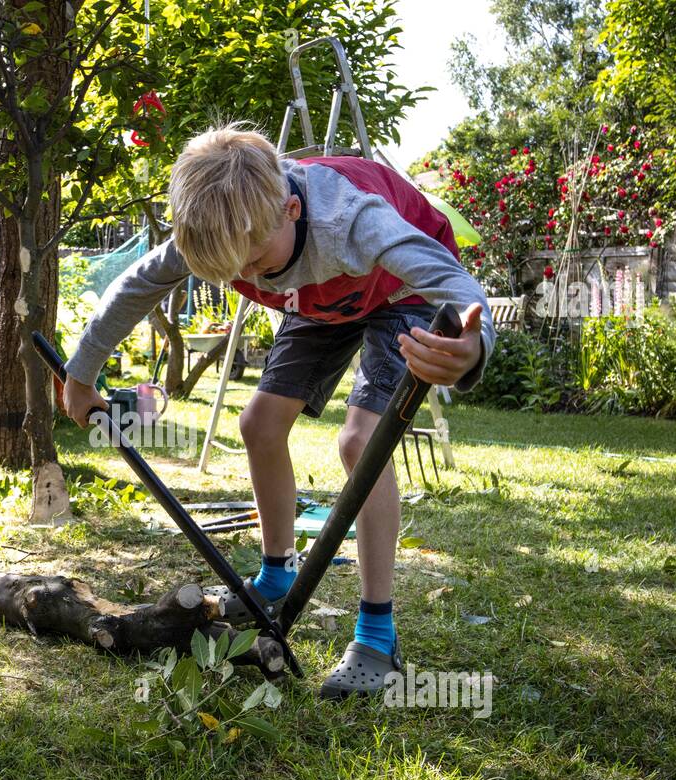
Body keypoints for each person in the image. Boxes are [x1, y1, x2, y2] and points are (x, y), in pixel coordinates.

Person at [61, 122, 495, 698]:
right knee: (258, 423)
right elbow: (137, 287)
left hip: (399, 292)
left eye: (256, 262)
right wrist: (80, 376)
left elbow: (451, 281)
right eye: (231, 270)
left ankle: (375, 634)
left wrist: (471, 345)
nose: (247, 277)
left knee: (360, 443)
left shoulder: (353, 219)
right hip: (321, 303)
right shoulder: (220, 229)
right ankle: (274, 576)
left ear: (291, 209)